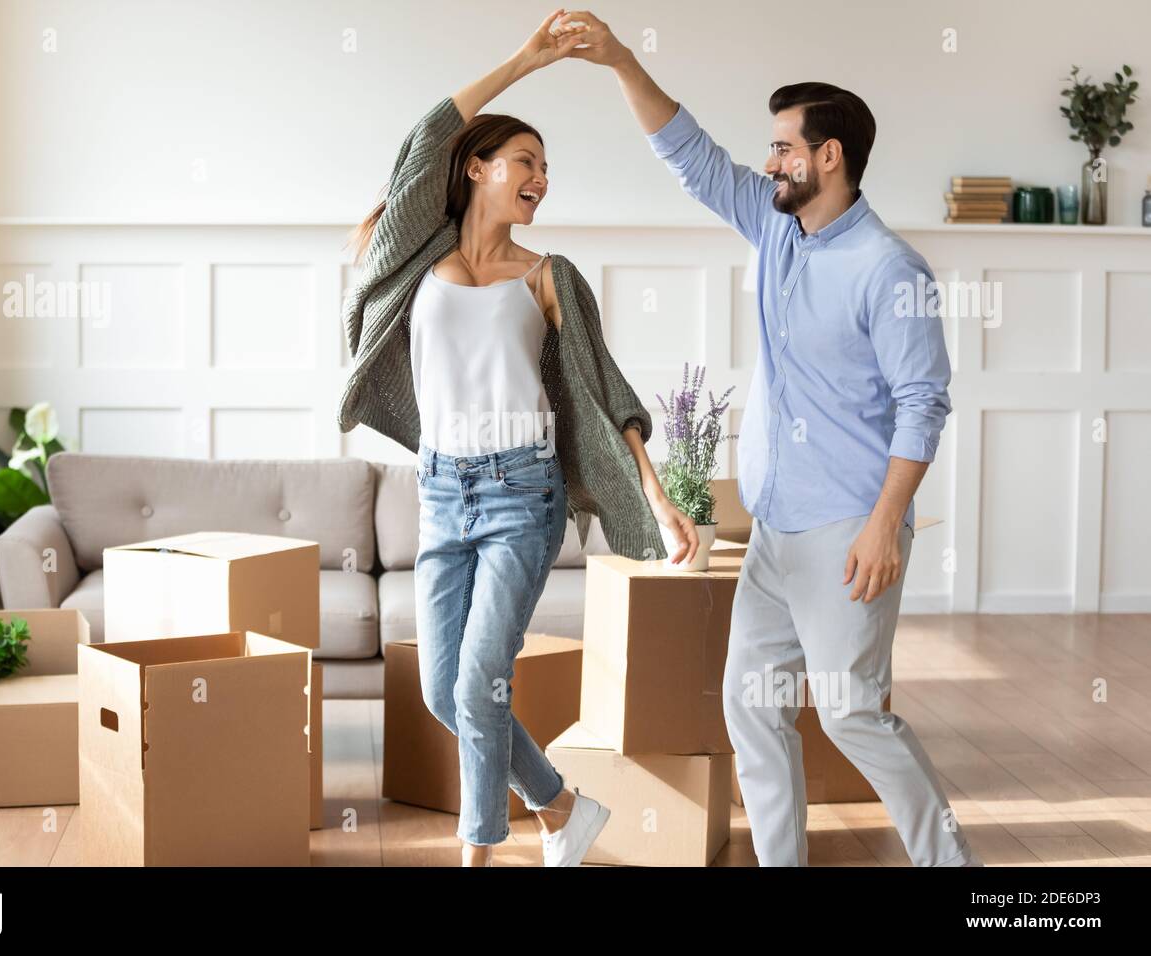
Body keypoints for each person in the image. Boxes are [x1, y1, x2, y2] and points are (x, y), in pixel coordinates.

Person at [553, 9, 981, 866]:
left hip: (847, 531)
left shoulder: (890, 270)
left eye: (785, 147)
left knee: (855, 712)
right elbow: (691, 154)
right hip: (775, 530)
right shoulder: (779, 226)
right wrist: (619, 61)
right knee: (752, 706)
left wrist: (884, 524)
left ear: (830, 157)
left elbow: (923, 404)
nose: (770, 161)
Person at [339, 9, 699, 867]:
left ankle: (479, 852)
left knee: (476, 684)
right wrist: (528, 60)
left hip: (519, 496)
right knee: (442, 690)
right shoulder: (414, 260)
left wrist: (661, 499)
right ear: (477, 167)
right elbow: (423, 139)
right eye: (526, 161)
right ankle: (564, 808)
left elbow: (607, 393)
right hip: (440, 491)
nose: (541, 177)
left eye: (547, 168)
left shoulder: (548, 277)